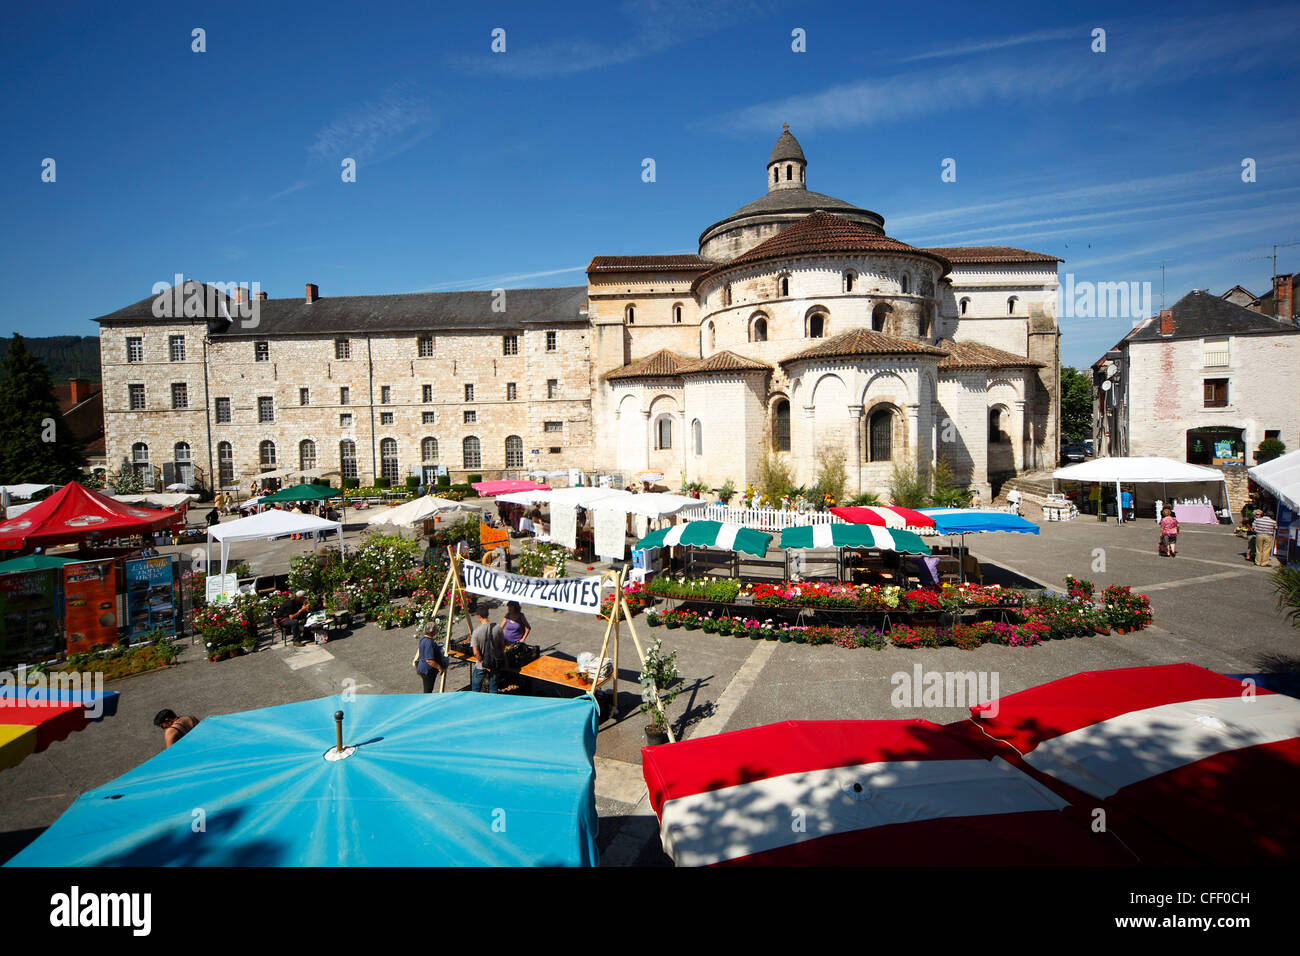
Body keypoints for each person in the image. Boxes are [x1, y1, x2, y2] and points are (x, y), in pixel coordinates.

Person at [468, 607, 505, 694]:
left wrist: (483, 662)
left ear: (478, 616)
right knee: (493, 688)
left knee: (475, 689)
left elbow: (476, 652)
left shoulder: (476, 632)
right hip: (494, 663)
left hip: (481, 665)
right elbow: (502, 646)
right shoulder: (498, 628)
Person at [415, 622, 446, 693]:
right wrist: (439, 667)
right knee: (428, 690)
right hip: (427, 670)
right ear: (432, 631)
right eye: (436, 629)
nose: (437, 631)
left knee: (428, 688)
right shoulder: (429, 642)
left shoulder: (423, 639)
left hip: (422, 667)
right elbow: (429, 660)